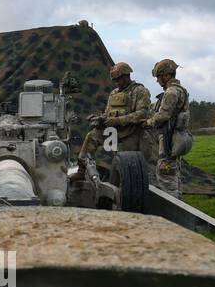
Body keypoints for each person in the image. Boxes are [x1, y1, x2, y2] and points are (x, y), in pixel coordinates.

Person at [78, 62, 152, 166]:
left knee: (130, 165)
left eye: (118, 79)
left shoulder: (140, 91)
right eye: (115, 80)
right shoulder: (114, 93)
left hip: (132, 132)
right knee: (92, 136)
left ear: (126, 76)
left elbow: (142, 114)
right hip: (114, 131)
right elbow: (108, 113)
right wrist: (100, 118)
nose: (116, 83)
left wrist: (118, 120)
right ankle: (82, 169)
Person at [145, 59, 193, 191]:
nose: (157, 80)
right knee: (173, 175)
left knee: (166, 177)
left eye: (159, 77)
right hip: (176, 137)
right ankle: (178, 203)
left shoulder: (171, 92)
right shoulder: (180, 90)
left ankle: (171, 208)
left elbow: (163, 116)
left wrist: (148, 122)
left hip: (169, 139)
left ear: (166, 75)